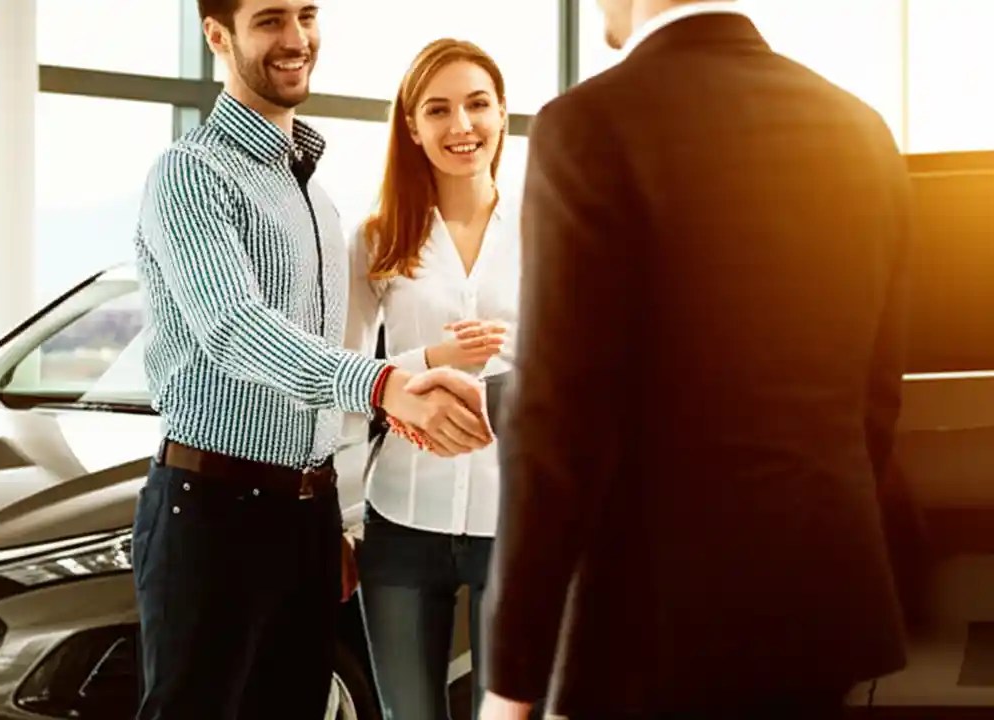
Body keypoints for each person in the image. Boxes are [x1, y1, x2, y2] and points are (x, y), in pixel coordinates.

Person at [471, 0, 915, 718]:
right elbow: (875, 400)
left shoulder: (590, 124)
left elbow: (558, 420)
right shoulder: (859, 129)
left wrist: (512, 680)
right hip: (819, 613)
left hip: (652, 632)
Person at [129, 1, 493, 718]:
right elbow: (234, 328)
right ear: (216, 35)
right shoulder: (191, 173)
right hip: (212, 511)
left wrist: (336, 519)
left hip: (307, 517)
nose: (295, 39)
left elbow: (328, 363)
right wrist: (388, 383)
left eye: (306, 14)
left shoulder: (318, 201)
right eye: (268, 20)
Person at [344, 38, 536, 720]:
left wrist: (516, 345)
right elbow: (345, 377)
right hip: (399, 519)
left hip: (515, 520)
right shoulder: (375, 239)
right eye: (439, 109)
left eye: (478, 104)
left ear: (503, 114)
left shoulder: (549, 229)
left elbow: (590, 370)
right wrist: (432, 359)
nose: (462, 126)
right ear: (412, 127)